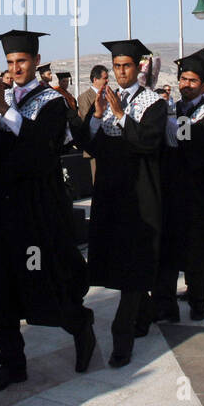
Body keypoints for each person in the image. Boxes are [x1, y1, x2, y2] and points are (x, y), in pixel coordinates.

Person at [0, 30, 95, 395]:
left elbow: (40, 151)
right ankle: (11, 363)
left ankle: (79, 325)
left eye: (21, 61)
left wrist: (4, 107)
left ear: (36, 62)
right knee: (2, 281)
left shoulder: (51, 102)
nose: (16, 68)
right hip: (0, 204)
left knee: (44, 274)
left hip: (37, 206)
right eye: (10, 62)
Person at [73, 38, 166, 367]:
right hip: (111, 192)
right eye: (116, 66)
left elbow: (147, 143)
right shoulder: (104, 100)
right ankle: (146, 312)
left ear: (138, 67)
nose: (121, 72)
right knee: (121, 259)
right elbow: (91, 146)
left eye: (126, 66)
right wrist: (97, 117)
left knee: (136, 259)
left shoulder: (153, 103)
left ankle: (122, 334)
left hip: (141, 192)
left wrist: (120, 115)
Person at [155, 48, 204, 322]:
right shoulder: (173, 109)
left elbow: (191, 145)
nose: (185, 85)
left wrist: (173, 124)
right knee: (168, 251)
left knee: (197, 253)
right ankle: (165, 304)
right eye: (182, 79)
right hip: (171, 193)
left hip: (198, 194)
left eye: (192, 81)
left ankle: (199, 301)